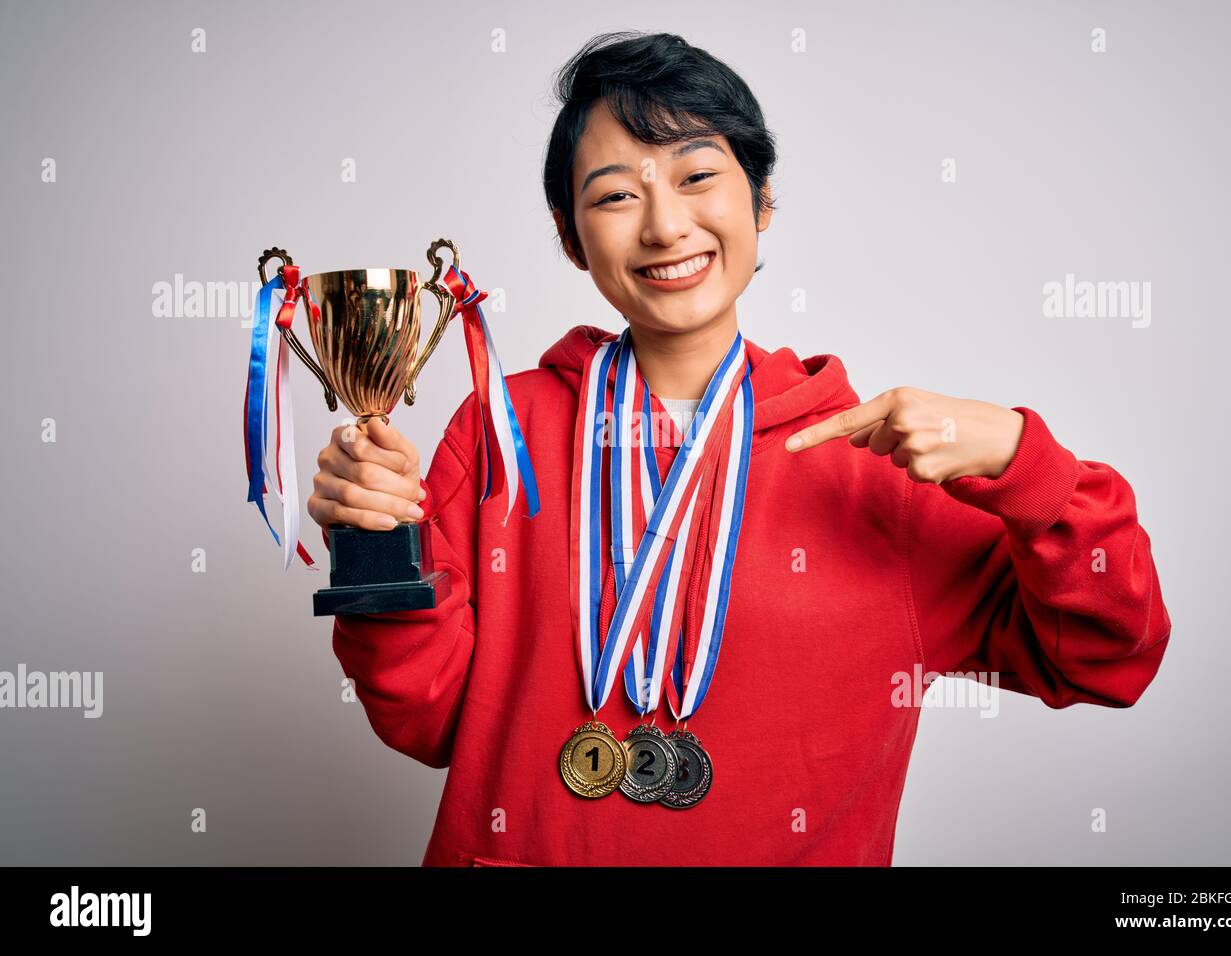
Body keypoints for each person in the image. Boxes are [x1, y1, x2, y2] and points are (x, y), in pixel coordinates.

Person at [307, 31, 1172, 866]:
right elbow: (427, 721)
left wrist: (1028, 463)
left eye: (697, 178)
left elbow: (1108, 657)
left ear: (761, 203)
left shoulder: (880, 467)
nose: (663, 225)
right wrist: (372, 540)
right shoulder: (501, 432)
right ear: (571, 238)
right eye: (615, 195)